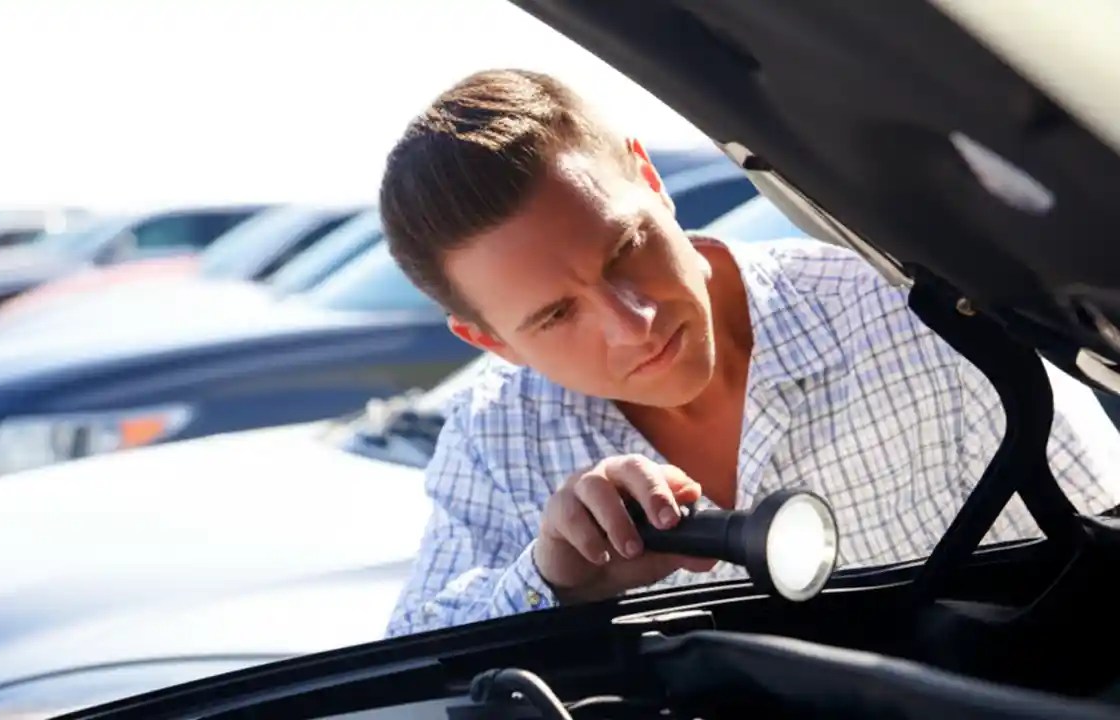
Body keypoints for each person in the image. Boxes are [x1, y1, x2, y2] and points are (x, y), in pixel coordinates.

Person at [376, 68, 1119, 637]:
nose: (631, 322)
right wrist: (555, 582)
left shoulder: (921, 322)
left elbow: (1106, 565)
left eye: (626, 249)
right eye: (558, 315)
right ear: (491, 343)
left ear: (650, 178)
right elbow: (407, 670)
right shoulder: (493, 437)